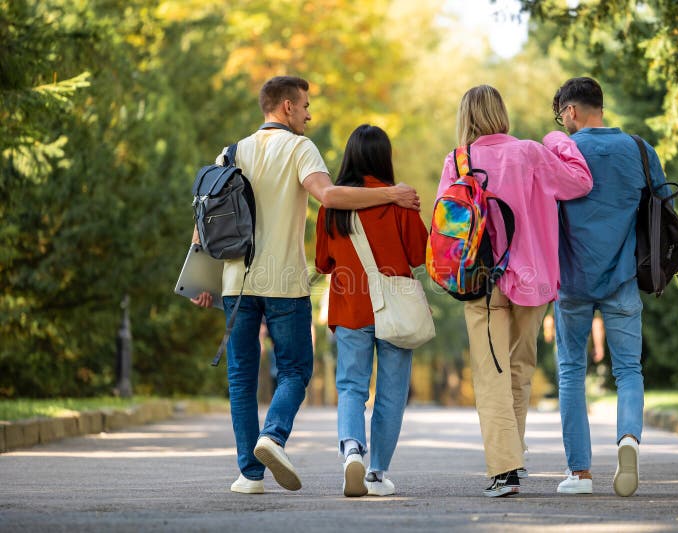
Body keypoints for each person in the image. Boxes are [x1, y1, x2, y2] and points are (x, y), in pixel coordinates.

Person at [191, 76, 420, 495]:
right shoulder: (299, 148)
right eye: (305, 105)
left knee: (241, 377)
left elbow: (206, 221)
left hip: (233, 283)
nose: (309, 114)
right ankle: (273, 437)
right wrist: (391, 194)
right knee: (295, 370)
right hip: (283, 283)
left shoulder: (230, 153)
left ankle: (249, 476)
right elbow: (330, 197)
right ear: (286, 107)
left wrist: (198, 279)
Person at [435, 85, 592, 497]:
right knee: (520, 368)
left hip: (479, 279)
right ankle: (513, 462)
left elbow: (444, 225)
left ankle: (504, 470)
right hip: (533, 277)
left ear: (466, 117)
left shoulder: (458, 160)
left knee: (491, 374)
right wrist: (559, 139)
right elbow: (579, 183)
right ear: (500, 113)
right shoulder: (531, 151)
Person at [552, 76, 668, 497]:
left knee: (571, 371)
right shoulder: (639, 150)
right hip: (622, 279)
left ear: (571, 111)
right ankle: (628, 440)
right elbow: (662, 208)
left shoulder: (563, 151)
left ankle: (579, 474)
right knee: (628, 370)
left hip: (572, 282)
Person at [315, 124, 428, 497]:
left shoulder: (332, 206)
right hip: (394, 308)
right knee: (392, 393)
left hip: (351, 307)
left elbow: (322, 261)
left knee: (351, 386)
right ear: (385, 157)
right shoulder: (401, 201)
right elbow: (418, 256)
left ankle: (351, 449)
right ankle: (376, 474)